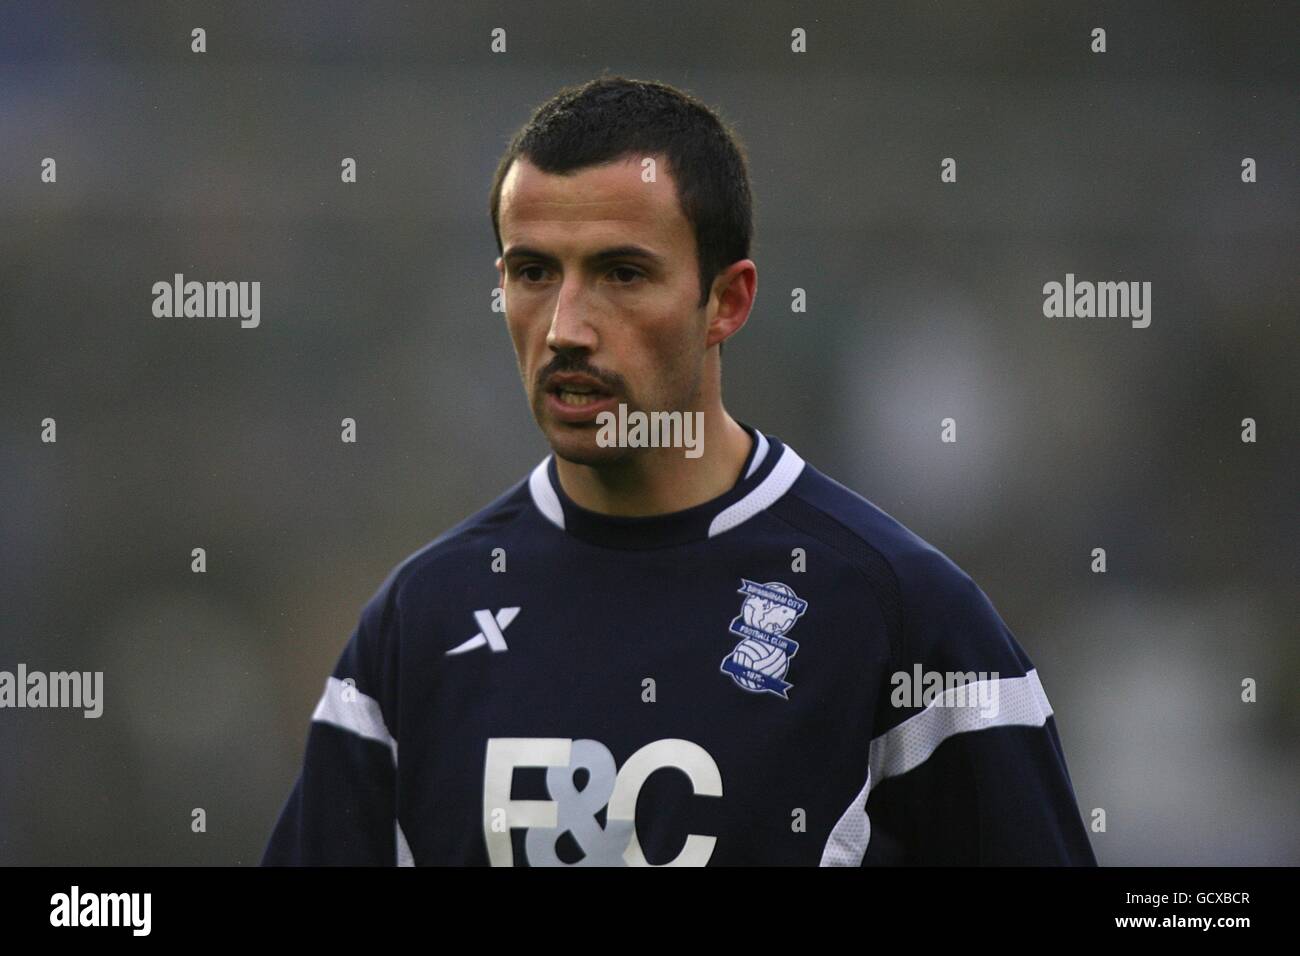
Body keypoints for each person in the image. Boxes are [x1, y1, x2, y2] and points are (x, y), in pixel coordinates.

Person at [262, 75, 1097, 866]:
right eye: (532, 273)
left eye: (622, 274)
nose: (565, 328)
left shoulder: (907, 617)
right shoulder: (420, 623)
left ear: (727, 301)